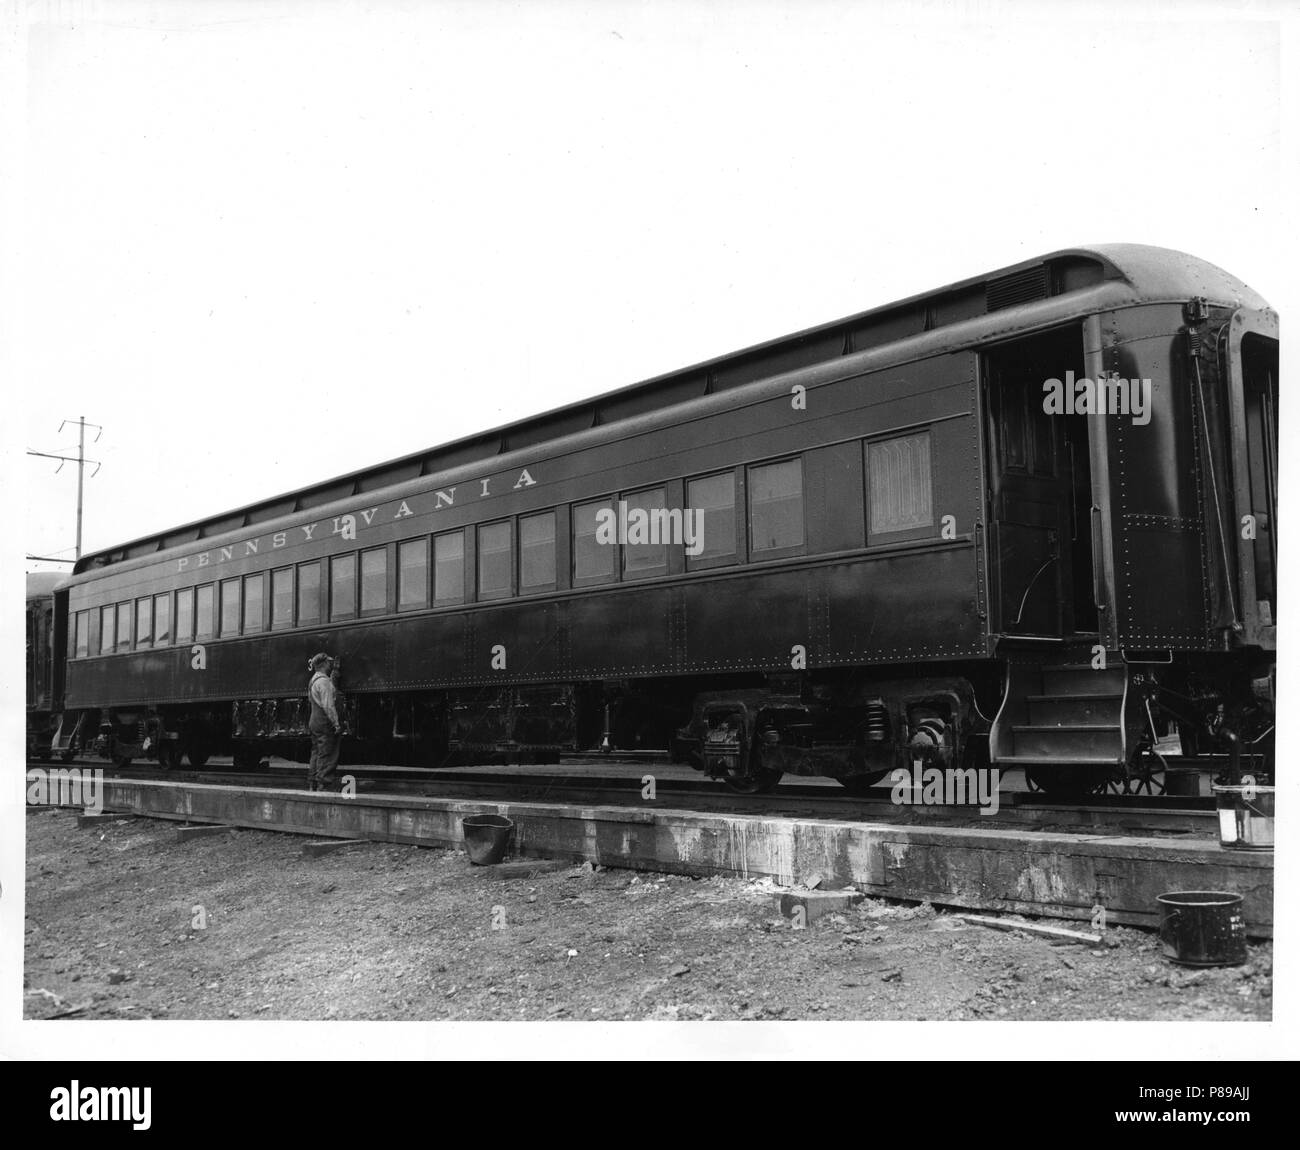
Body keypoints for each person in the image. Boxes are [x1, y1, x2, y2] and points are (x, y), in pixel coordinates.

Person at [306, 652, 342, 791]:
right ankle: (324, 784)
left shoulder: (314, 680)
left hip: (314, 719)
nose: (330, 664)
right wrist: (336, 723)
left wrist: (334, 675)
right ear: (324, 664)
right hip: (324, 720)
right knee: (327, 752)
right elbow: (328, 705)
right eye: (329, 663)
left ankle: (312, 782)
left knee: (316, 752)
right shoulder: (324, 682)